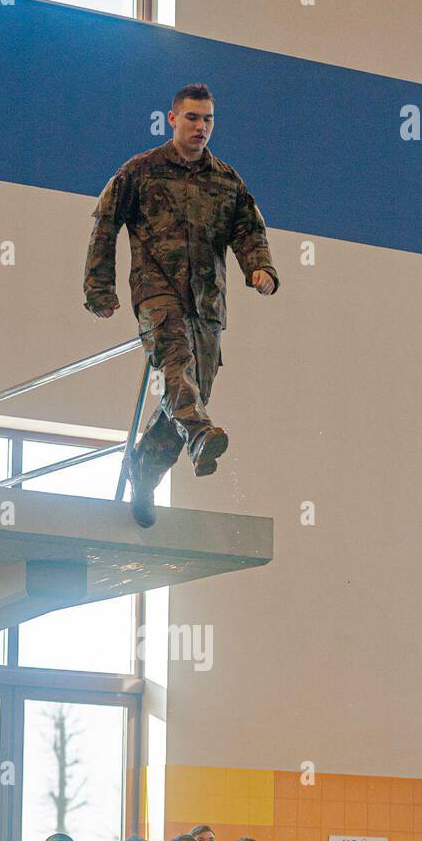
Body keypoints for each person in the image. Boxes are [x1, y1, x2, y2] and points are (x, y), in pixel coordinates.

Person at [83, 83, 279, 528]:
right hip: (158, 292)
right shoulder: (141, 171)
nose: (201, 127)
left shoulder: (226, 181)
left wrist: (259, 269)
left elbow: (250, 231)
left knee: (194, 391)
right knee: (176, 367)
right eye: (192, 118)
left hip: (208, 303)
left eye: (208, 119)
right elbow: (104, 224)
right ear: (172, 119)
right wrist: (99, 288)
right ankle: (200, 435)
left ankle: (144, 471)